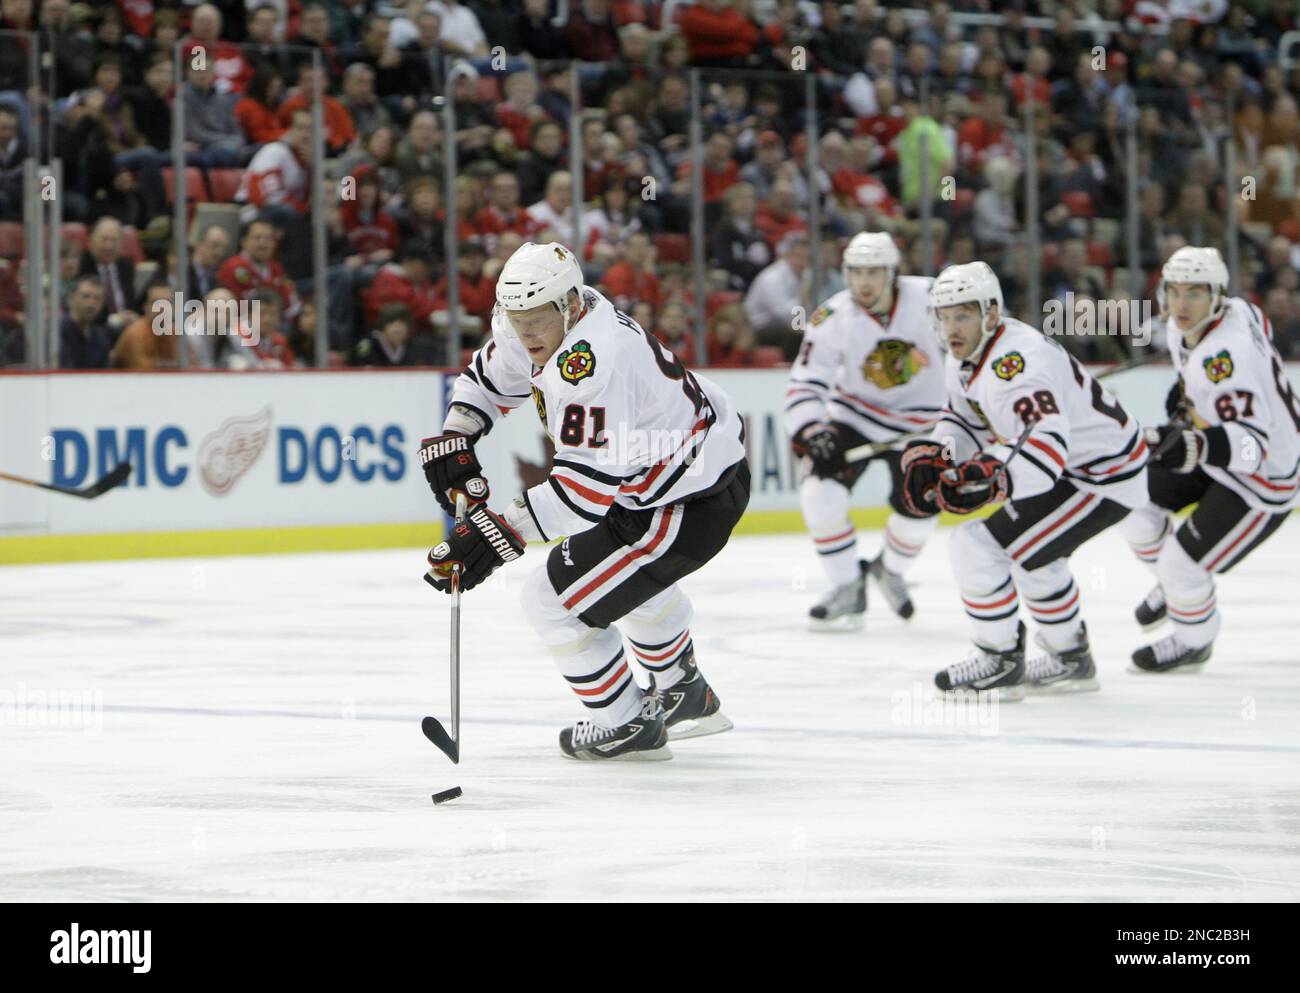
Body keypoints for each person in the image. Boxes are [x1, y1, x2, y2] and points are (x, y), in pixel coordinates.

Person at [417, 242, 750, 760]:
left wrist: (494, 531)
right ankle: (684, 692)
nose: (525, 332)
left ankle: (626, 723)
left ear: (570, 305)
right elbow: (487, 380)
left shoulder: (590, 365)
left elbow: (583, 497)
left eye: (537, 319)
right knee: (625, 579)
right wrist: (456, 437)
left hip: (684, 504)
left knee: (550, 601)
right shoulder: (546, 317)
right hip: (666, 484)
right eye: (515, 317)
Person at [903, 262, 1149, 696]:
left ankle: (999, 658)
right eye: (944, 316)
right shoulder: (968, 354)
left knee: (976, 544)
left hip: (1101, 476)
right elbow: (964, 418)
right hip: (1086, 470)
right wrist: (940, 454)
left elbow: (1044, 453)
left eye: (962, 315)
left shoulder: (1016, 366)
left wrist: (992, 475)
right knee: (1037, 556)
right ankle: (1070, 657)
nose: (951, 327)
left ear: (991, 314)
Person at [1120, 247, 1299, 671]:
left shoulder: (1225, 358)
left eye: (1195, 293)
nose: (1181, 305)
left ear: (1216, 295)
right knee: (1132, 501)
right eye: (1175, 292)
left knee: (1181, 565)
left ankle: (1193, 639)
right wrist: (1191, 396)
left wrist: (1195, 444)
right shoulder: (1238, 311)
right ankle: (1174, 588)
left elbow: (1254, 447)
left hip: (1263, 477)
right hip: (1225, 450)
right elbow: (1259, 333)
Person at [786, 233, 944, 630]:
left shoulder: (934, 301)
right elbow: (806, 383)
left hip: (925, 423)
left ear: (893, 273)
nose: (864, 283)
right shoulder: (831, 317)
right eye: (856, 273)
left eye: (874, 272)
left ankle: (889, 570)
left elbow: (974, 350)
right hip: (855, 416)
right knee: (819, 492)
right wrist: (811, 429)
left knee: (924, 502)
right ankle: (847, 587)